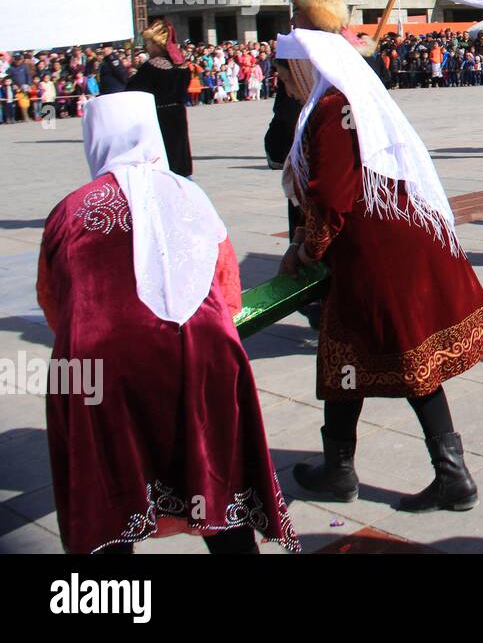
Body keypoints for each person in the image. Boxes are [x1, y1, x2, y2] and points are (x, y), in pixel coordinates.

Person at [37, 92, 299, 554]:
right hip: (203, 356)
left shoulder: (70, 210)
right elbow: (228, 289)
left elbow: (54, 304)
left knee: (112, 493)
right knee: (218, 474)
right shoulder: (189, 194)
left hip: (100, 370)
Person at [276, 14, 483, 513]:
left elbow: (332, 196)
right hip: (388, 240)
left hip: (377, 254)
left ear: (306, 67)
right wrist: (306, 241)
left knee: (406, 358)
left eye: (285, 70)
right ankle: (341, 469)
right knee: (346, 355)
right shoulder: (342, 102)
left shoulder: (334, 108)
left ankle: (452, 477)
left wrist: (304, 251)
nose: (281, 81)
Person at [126, 19, 194, 176]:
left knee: (162, 157)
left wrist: (133, 77)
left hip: (158, 116)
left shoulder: (151, 67)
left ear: (158, 44)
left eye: (149, 43)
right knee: (178, 154)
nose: (147, 47)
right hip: (178, 114)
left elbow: (133, 91)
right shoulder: (183, 67)